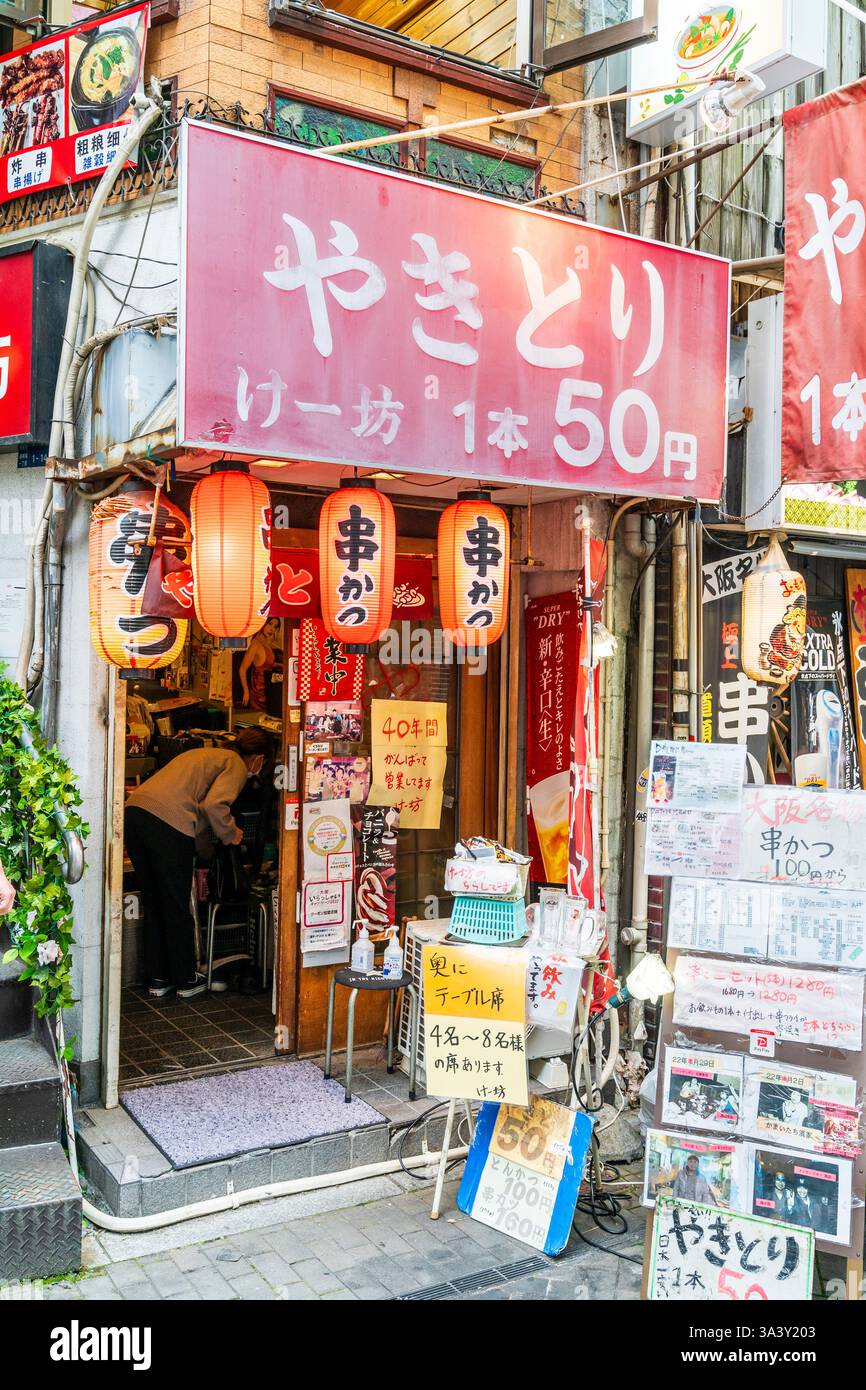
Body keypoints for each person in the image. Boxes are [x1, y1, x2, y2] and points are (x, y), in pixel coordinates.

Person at [125, 727, 271, 999]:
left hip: (135, 815)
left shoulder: (207, 756)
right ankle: (185, 979)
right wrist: (233, 836)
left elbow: (199, 818)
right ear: (259, 759)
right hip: (167, 824)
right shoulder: (236, 765)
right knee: (176, 902)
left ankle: (158, 977)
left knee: (154, 901)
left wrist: (205, 852)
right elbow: (215, 806)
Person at [238, 618, 281, 710]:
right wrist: (246, 691)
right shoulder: (255, 645)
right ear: (263, 623)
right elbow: (242, 669)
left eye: (275, 627)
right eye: (270, 624)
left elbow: (268, 664)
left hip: (268, 689)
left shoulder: (266, 643)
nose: (272, 629)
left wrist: (282, 666)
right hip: (258, 692)